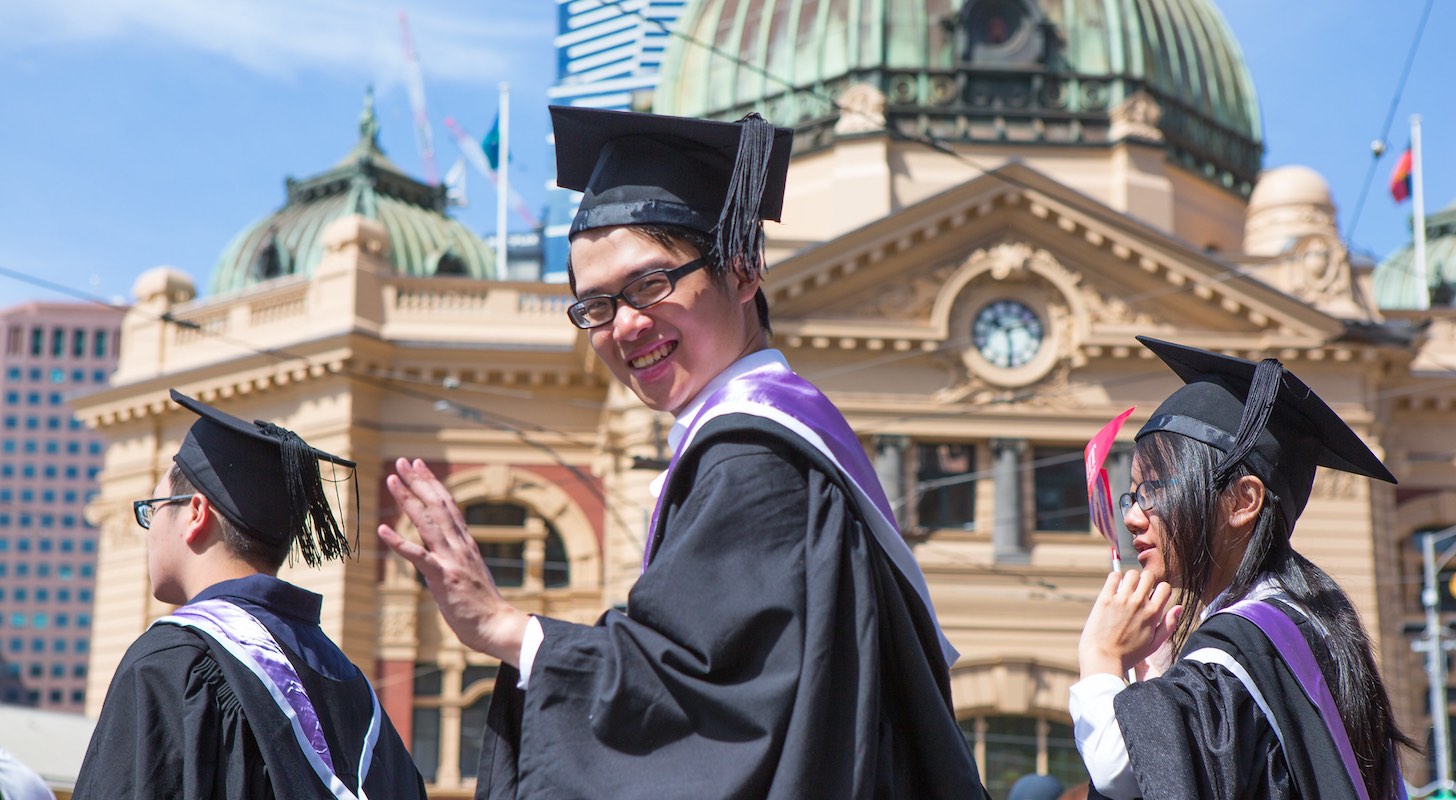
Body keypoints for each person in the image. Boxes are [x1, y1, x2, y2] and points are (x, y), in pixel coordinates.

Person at [378, 106, 987, 798]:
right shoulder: (767, 446)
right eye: (596, 306)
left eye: (650, 283)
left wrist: (503, 629)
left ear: (743, 270)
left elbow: (698, 701)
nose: (627, 325)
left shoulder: (754, 461)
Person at [1070, 337, 1413, 799]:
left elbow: (1120, 770)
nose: (1132, 514)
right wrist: (1160, 687)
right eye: (1134, 494)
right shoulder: (1307, 627)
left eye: (1153, 489)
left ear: (1242, 500)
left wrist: (1100, 658)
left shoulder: (1247, 644)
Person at [74, 390, 427, 800]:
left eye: (152, 509)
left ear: (195, 513)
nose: (150, 529)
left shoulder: (171, 664)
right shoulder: (359, 697)